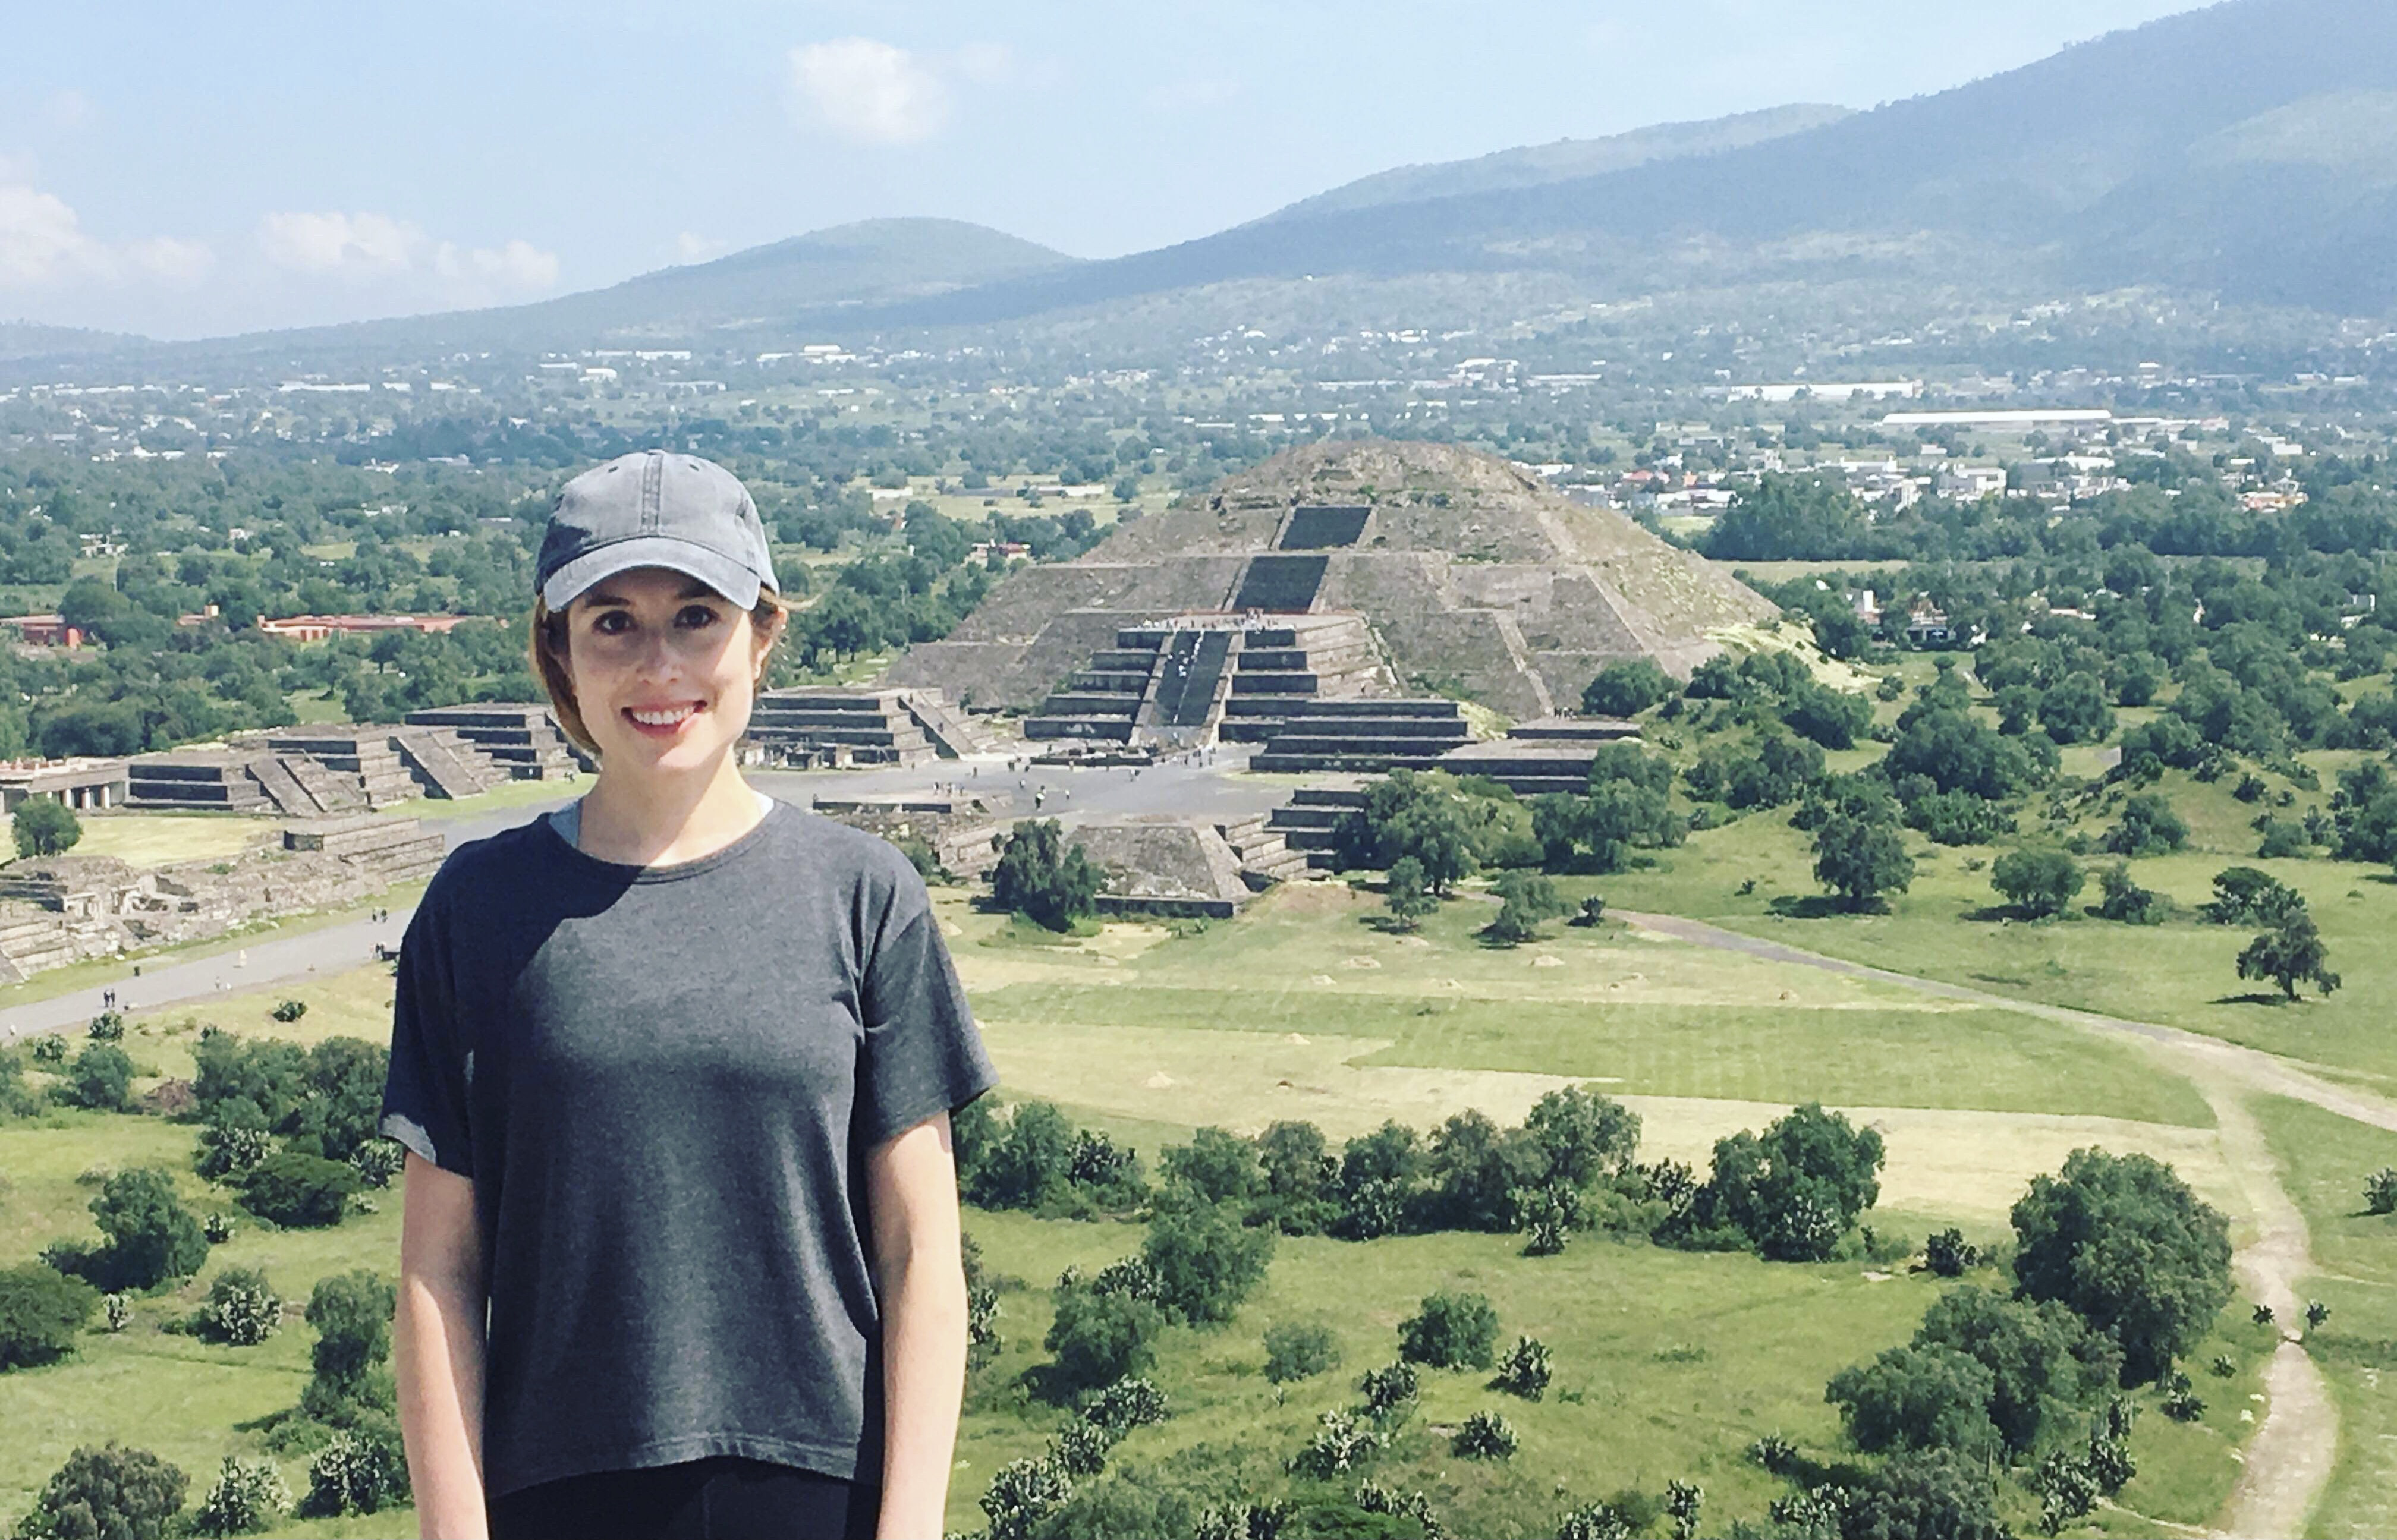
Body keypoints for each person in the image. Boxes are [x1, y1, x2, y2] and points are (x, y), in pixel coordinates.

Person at [382, 451, 995, 1540]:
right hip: (558, 1490)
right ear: (559, 656)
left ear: (761, 635)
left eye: (696, 617)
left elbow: (921, 1256)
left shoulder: (864, 898)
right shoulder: (480, 910)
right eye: (612, 622)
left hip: (821, 1484)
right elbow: (440, 1269)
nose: (658, 667)